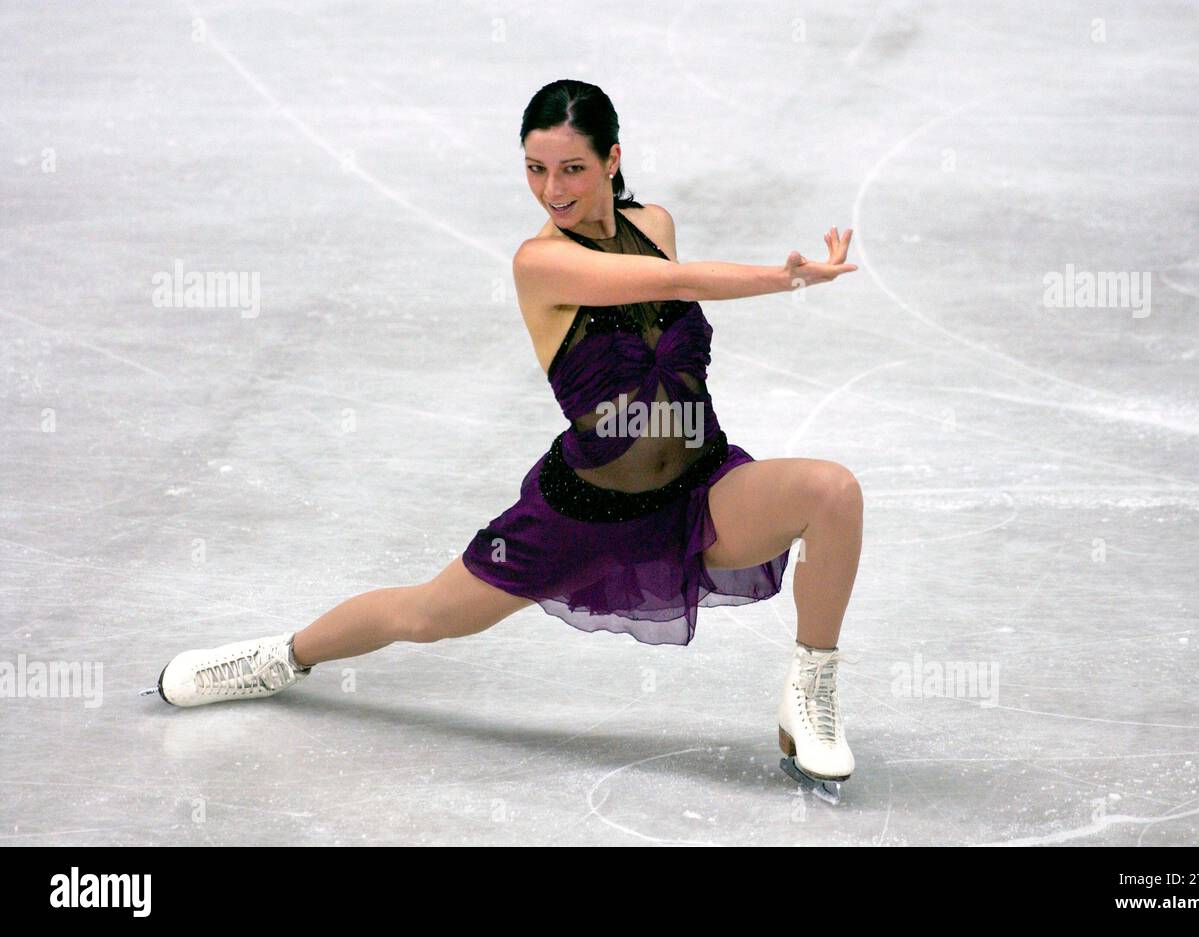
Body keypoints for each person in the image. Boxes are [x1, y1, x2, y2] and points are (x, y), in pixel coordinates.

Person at [147, 79, 863, 798]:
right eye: (535, 168)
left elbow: (664, 274)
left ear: (613, 159)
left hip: (699, 491)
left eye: (572, 168)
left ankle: (811, 693)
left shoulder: (657, 223)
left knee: (832, 493)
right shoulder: (540, 262)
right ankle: (279, 656)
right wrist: (784, 277)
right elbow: (672, 280)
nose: (552, 188)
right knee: (426, 614)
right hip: (581, 511)